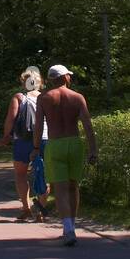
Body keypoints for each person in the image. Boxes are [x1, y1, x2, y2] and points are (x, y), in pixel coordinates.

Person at [33, 64, 97, 247]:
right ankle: (72, 225)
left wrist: (36, 147)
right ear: (65, 78)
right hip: (74, 143)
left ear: (52, 79)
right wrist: (93, 150)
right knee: (73, 186)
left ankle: (68, 228)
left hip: (55, 144)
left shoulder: (44, 98)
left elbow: (38, 126)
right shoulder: (77, 97)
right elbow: (88, 126)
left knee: (60, 188)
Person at [0, 66, 50, 222]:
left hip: (23, 139)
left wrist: (6, 135)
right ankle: (41, 210)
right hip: (44, 137)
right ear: (40, 82)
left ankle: (26, 208)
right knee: (44, 174)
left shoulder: (19, 97)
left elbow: (11, 118)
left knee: (21, 174)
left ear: (24, 82)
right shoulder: (46, 97)